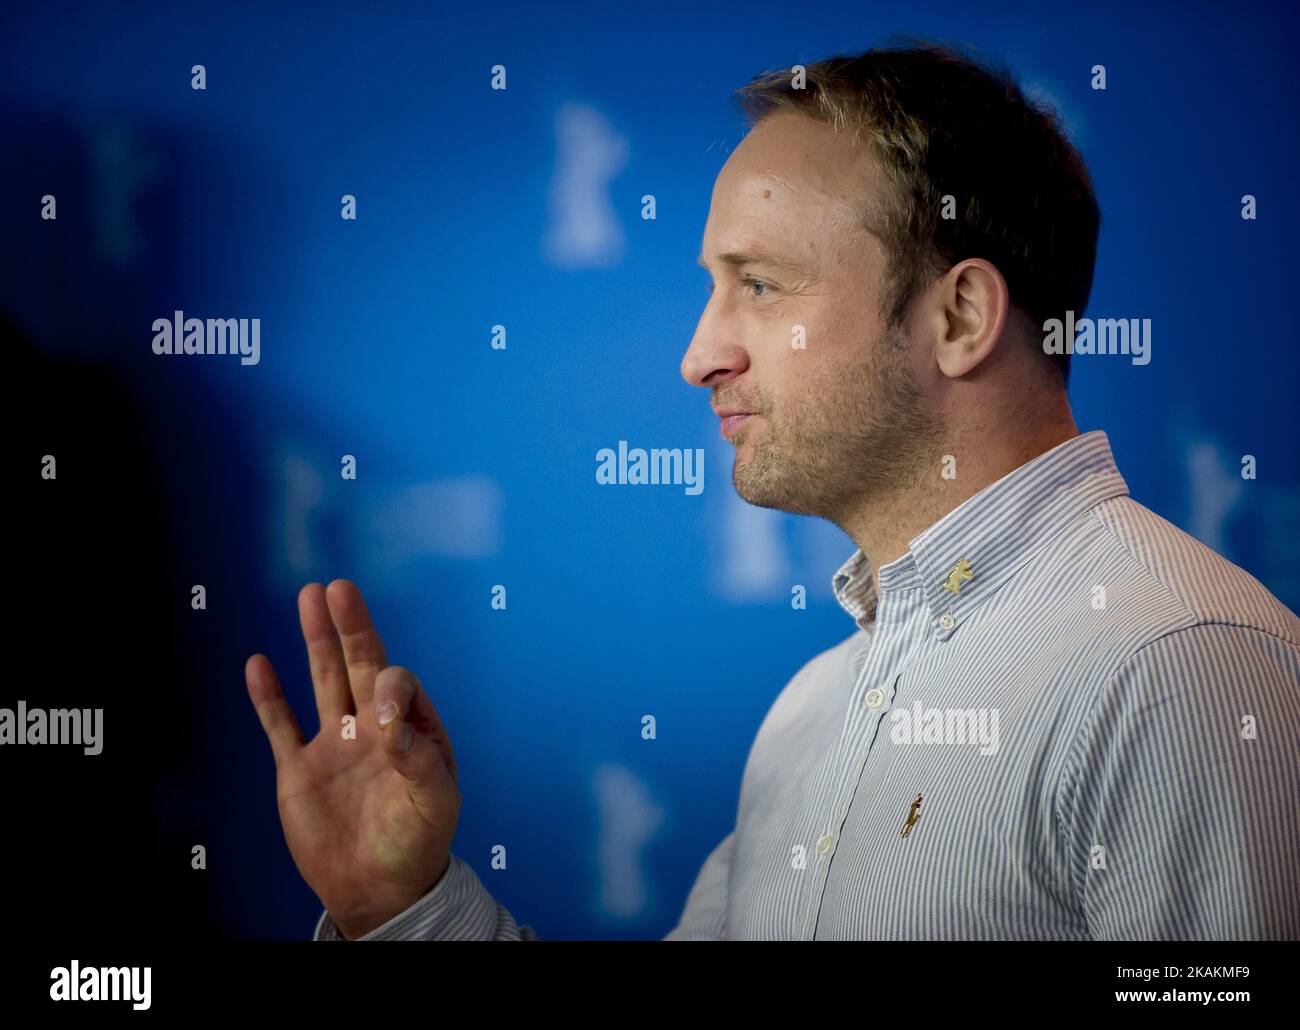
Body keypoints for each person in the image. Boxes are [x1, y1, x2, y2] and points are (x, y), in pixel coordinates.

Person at [245, 42, 1300, 941]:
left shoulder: (1179, 668)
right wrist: (403, 900)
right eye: (715, 287)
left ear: (960, 317)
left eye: (757, 284)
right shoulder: (811, 712)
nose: (698, 354)